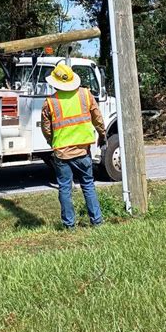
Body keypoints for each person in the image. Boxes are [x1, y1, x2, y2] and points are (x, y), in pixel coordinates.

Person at [41, 62, 107, 230]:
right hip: (83, 151)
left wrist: (52, 142)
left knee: (65, 188)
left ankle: (69, 226)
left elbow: (46, 129)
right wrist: (102, 134)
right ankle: (97, 222)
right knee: (88, 184)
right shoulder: (86, 95)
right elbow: (98, 118)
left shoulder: (50, 102)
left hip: (62, 153)